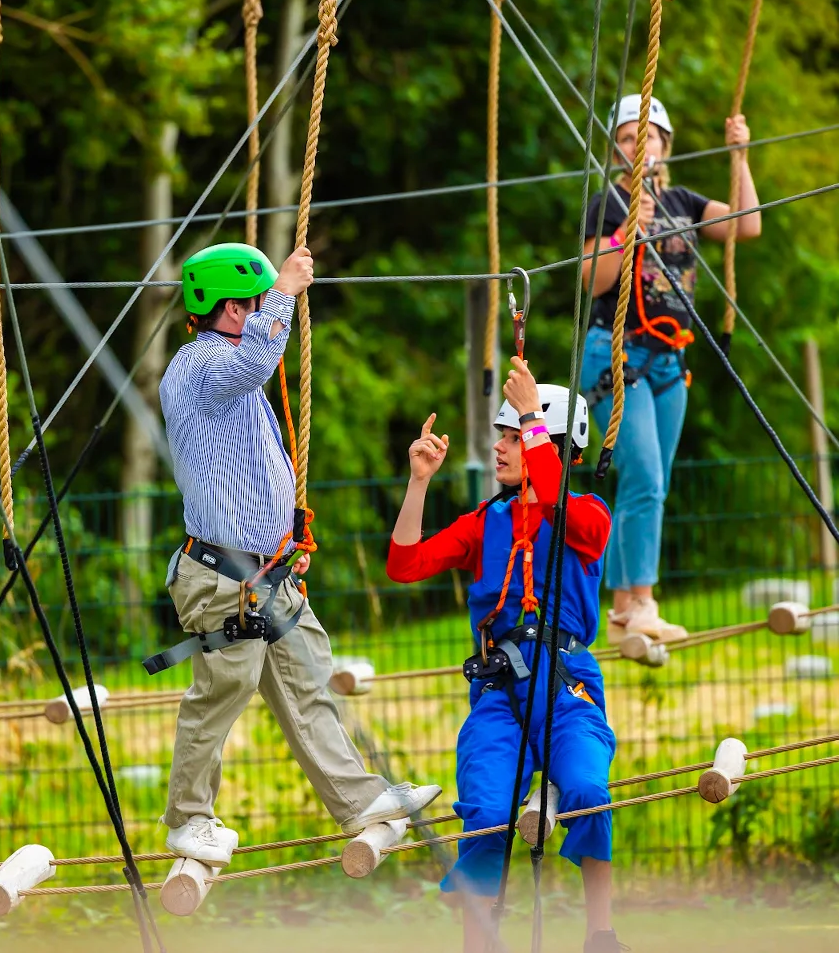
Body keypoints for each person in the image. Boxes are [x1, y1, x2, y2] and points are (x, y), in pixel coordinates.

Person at [152, 242, 441, 869]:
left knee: (309, 679)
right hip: (224, 578)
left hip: (263, 571)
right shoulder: (203, 365)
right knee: (221, 692)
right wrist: (285, 288)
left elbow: (253, 465)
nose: (263, 313)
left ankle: (358, 800)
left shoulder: (230, 367)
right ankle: (188, 819)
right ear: (234, 307)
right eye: (255, 303)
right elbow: (260, 356)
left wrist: (281, 541)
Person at [387, 358, 619, 953]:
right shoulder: (484, 523)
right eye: (505, 435)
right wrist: (419, 483)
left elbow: (568, 517)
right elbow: (405, 563)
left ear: (556, 444)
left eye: (516, 436)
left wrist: (533, 415)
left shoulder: (586, 514)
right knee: (486, 811)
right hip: (498, 693)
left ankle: (601, 932)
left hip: (566, 686)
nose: (502, 447)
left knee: (589, 790)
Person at [581, 95, 762, 642]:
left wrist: (740, 157)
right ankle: (641, 601)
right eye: (629, 139)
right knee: (644, 478)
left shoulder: (683, 200)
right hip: (619, 353)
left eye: (648, 137)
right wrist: (625, 230)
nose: (640, 146)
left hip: (669, 360)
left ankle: (623, 608)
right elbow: (595, 280)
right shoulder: (609, 201)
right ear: (618, 150)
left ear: (665, 144)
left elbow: (745, 225)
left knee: (651, 484)